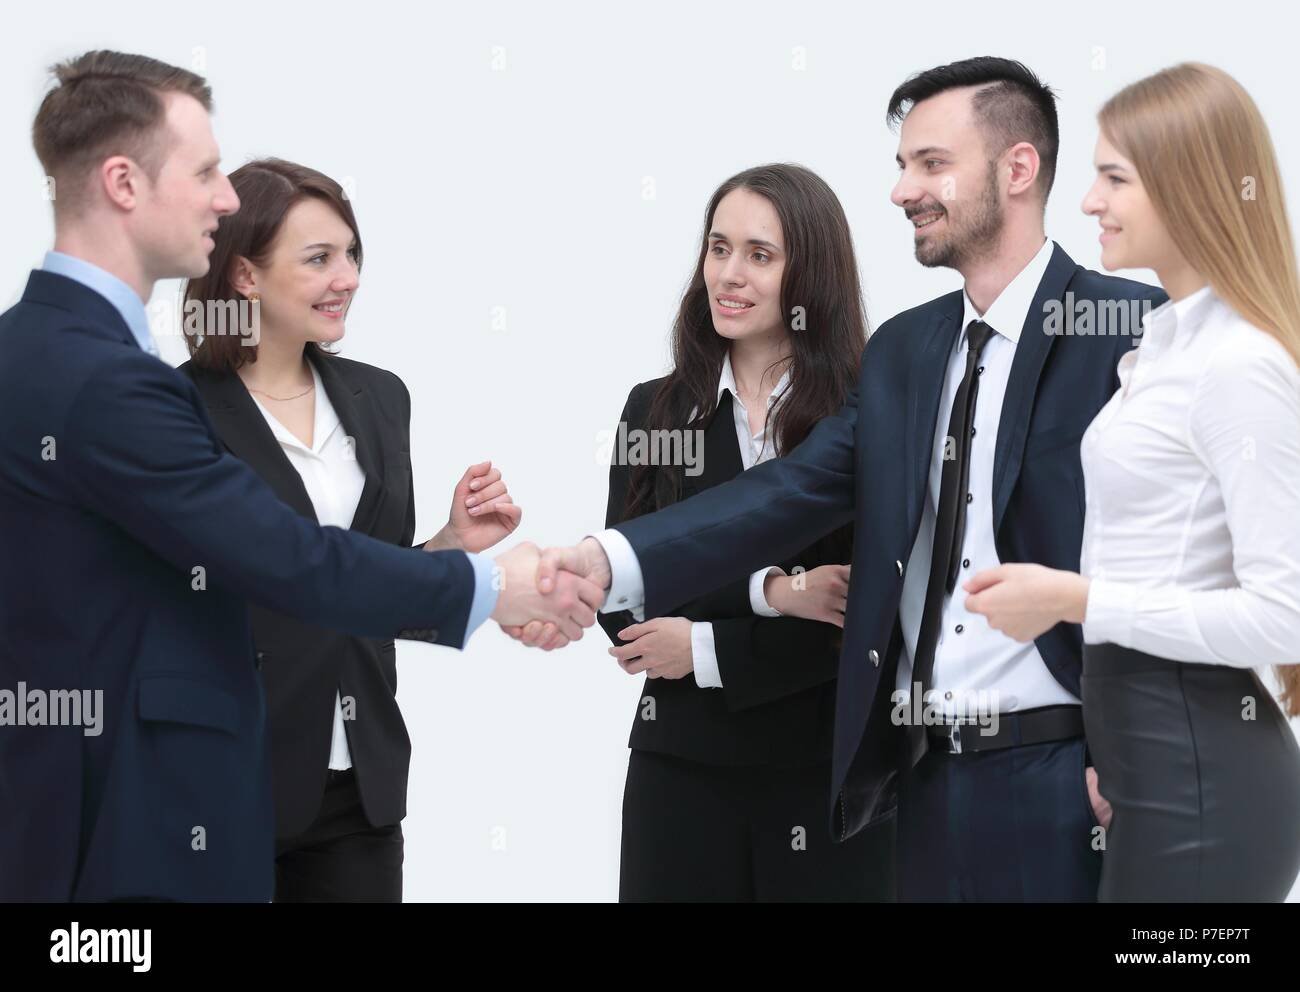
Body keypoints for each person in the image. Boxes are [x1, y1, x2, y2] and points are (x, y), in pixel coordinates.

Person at [526, 57, 1166, 902]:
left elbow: (1177, 556)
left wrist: (1140, 748)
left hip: (1063, 773)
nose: (902, 191)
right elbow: (786, 493)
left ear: (1018, 169)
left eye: (931, 164)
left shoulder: (1133, 331)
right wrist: (603, 560)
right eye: (902, 165)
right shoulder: (903, 352)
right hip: (916, 778)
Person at [0, 50, 599, 902]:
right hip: (129, 821)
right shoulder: (114, 381)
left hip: (127, 807)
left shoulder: (31, 346)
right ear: (124, 184)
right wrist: (494, 586)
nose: (224, 198)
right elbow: (286, 558)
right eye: (204, 171)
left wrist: (454, 559)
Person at [964, 62, 1300, 901]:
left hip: (1203, 787)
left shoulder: (1238, 365)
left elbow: (1285, 615)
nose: (1089, 202)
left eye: (1115, 178)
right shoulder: (1163, 349)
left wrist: (1076, 599)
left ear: (1190, 184)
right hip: (1152, 770)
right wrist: (1116, 754)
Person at [179, 157, 522, 902]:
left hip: (359, 785)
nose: (348, 278)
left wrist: (446, 546)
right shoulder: (176, 410)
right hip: (218, 782)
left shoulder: (381, 396)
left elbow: (366, 579)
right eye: (319, 259)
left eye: (352, 254)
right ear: (244, 274)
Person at [593, 164, 893, 900]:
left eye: (760, 255)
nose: (729, 274)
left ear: (810, 274)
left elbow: (865, 616)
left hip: (828, 774)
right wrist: (776, 593)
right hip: (681, 772)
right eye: (718, 247)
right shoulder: (656, 410)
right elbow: (622, 597)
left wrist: (701, 647)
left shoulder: (869, 413)